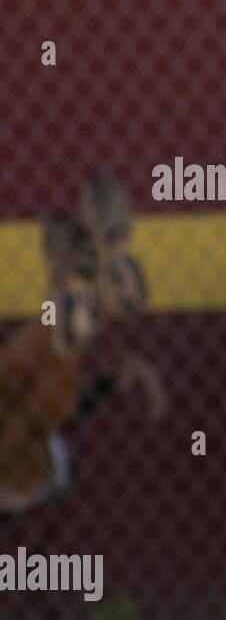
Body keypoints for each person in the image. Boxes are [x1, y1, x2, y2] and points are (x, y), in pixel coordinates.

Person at [0, 177, 166, 515]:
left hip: (28, 450)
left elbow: (71, 411)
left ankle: (75, 307)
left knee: (26, 375)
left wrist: (119, 373)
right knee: (27, 366)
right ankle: (81, 299)